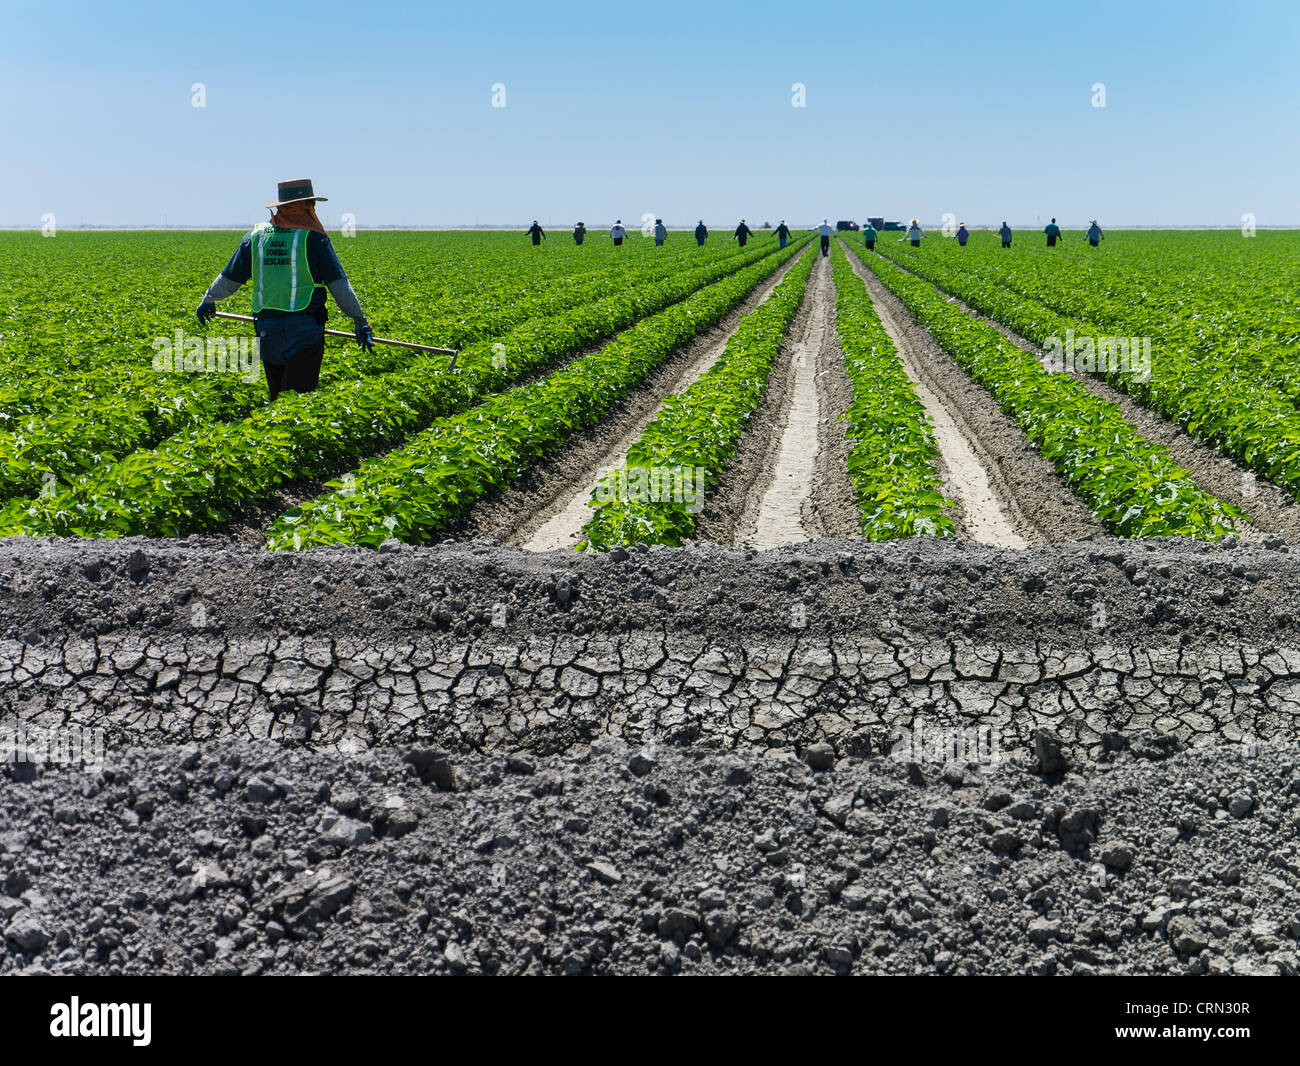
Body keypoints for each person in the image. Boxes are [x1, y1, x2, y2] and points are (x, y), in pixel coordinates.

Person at [195, 178, 372, 403]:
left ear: (280, 207)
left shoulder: (257, 237)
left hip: (267, 331)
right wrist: (359, 319)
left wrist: (209, 299)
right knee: (297, 403)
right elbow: (339, 285)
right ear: (307, 206)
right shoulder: (313, 239)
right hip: (304, 330)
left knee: (277, 398)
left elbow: (230, 277)